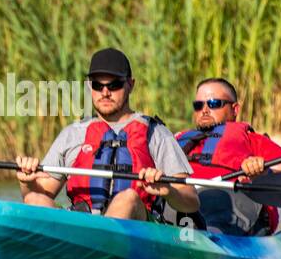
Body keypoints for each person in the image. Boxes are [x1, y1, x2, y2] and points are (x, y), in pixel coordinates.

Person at [15, 48, 199, 220]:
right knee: (33, 200)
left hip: (139, 229)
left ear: (130, 84)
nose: (105, 92)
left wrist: (168, 190)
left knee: (127, 198)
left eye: (114, 85)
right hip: (83, 225)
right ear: (89, 86)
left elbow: (191, 202)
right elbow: (42, 194)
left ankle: (99, 245)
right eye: (97, 85)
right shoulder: (73, 134)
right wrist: (27, 182)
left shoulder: (156, 133)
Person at [173, 77, 281, 235]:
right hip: (180, 204)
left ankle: (207, 242)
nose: (204, 110)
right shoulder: (176, 140)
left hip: (228, 206)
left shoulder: (253, 141)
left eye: (213, 104)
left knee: (215, 201)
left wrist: (263, 173)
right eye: (198, 105)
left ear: (235, 109)